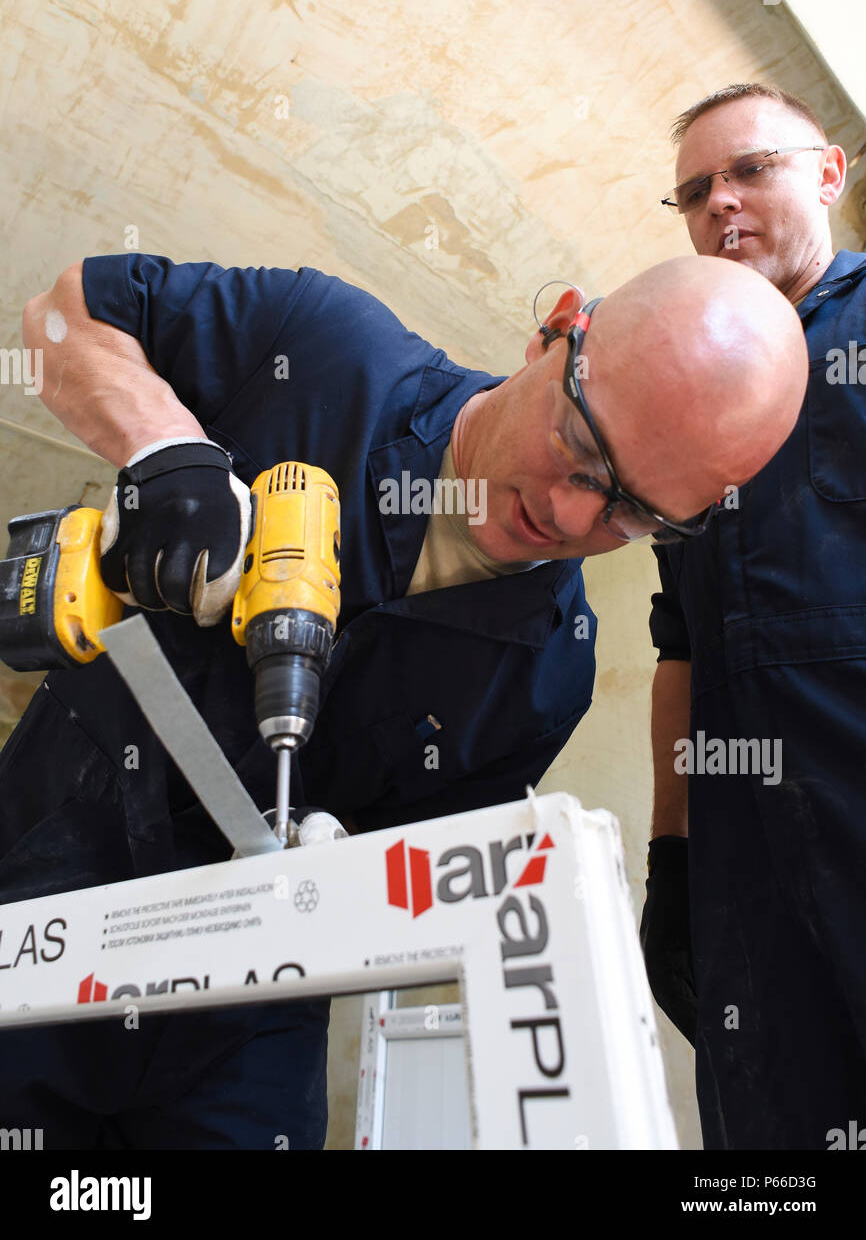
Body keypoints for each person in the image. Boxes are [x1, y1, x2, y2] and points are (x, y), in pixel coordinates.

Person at [0, 249, 805, 1149]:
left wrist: (353, 879)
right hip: (51, 865)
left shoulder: (548, 678)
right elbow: (63, 317)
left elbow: (403, 880)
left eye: (634, 512)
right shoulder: (323, 346)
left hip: (255, 987)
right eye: (581, 449)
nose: (575, 517)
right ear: (554, 331)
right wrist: (166, 451)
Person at [641, 81, 866, 1150]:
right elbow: (675, 652)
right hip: (745, 875)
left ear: (826, 174)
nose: (717, 204)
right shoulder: (684, 399)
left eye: (747, 171)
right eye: (693, 191)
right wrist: (670, 858)